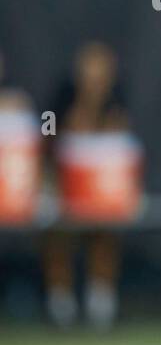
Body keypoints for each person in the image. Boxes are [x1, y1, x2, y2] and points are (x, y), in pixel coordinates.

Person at [42, 42, 130, 329]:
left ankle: (101, 303)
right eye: (88, 71)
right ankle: (60, 303)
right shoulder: (62, 102)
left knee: (104, 233)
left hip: (102, 191)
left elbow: (119, 148)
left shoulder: (116, 103)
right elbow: (50, 144)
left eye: (100, 72)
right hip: (63, 189)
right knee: (56, 234)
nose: (94, 78)